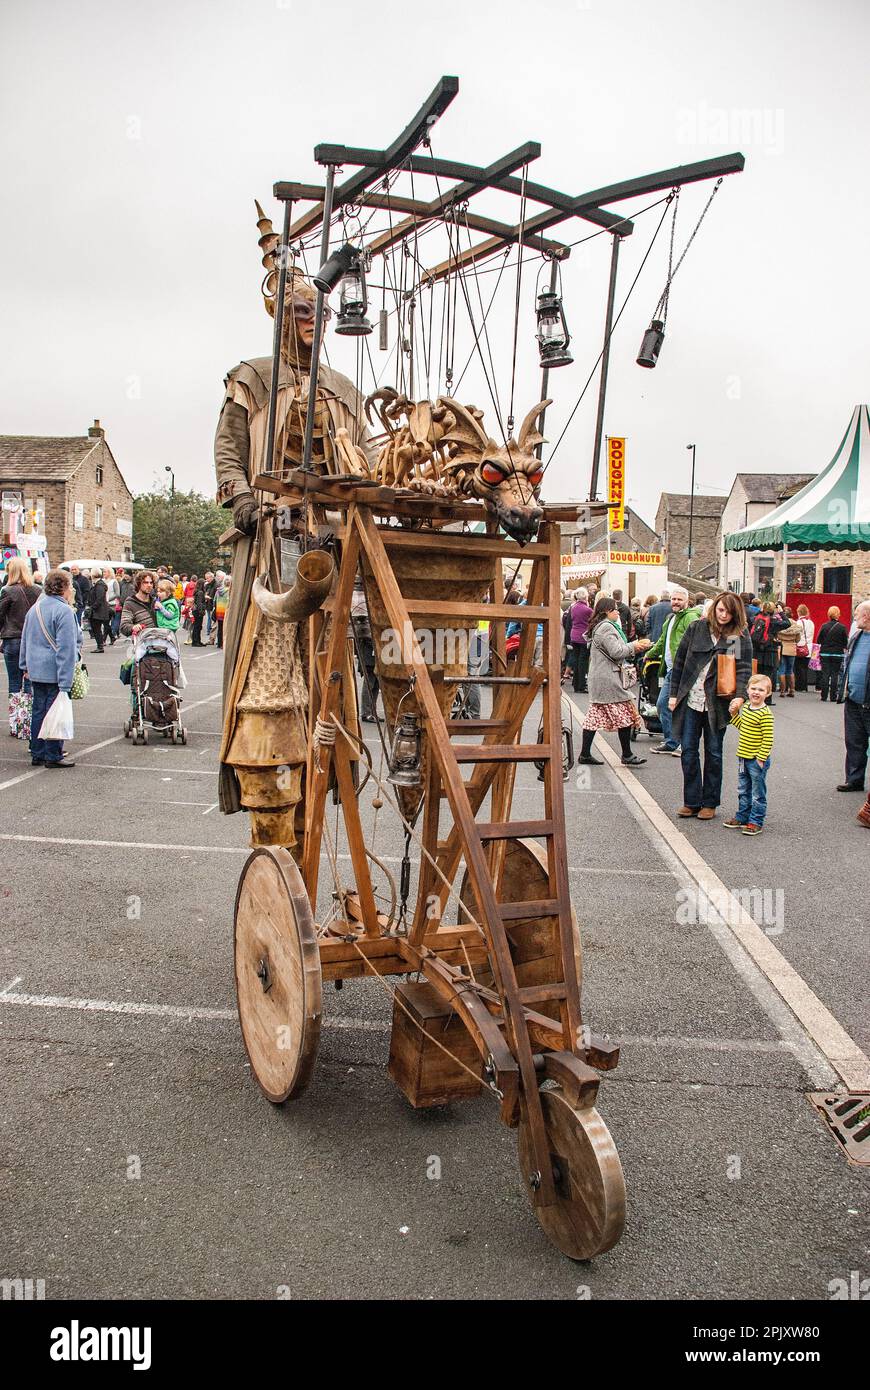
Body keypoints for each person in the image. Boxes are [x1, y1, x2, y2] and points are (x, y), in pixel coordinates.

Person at [215, 213, 376, 849]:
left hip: (329, 552)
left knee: (330, 704)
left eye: (321, 315)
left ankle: (312, 845)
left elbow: (362, 459)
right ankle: (273, 858)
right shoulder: (253, 378)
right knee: (270, 703)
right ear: (283, 319)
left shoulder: (342, 390)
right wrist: (243, 497)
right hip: (271, 561)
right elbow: (229, 453)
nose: (314, 326)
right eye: (302, 315)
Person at [668, 591, 752, 820]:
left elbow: (742, 669)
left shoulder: (737, 636)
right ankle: (691, 801)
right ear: (714, 608)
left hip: (717, 703)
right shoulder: (697, 628)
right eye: (721, 609)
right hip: (691, 700)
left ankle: (710, 802)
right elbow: (680, 662)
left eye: (729, 612)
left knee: (714, 752)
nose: (724, 615)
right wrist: (673, 694)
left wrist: (740, 696)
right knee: (688, 750)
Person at [577, 594, 651, 767]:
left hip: (600, 677)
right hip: (608, 678)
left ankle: (585, 753)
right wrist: (636, 646)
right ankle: (627, 754)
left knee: (594, 716)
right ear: (606, 611)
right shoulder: (607, 628)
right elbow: (617, 652)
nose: (618, 612)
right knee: (624, 714)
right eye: (614, 609)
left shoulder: (599, 627)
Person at [19, 567, 81, 769]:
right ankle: (52, 753)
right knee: (55, 711)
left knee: (38, 710)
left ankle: (37, 751)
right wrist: (66, 679)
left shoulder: (35, 608)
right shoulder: (64, 611)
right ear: (64, 588)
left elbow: (25, 639)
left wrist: (24, 665)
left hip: (35, 668)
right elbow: (66, 648)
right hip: (54, 669)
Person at [644, 587, 701, 755]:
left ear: (687, 601)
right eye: (674, 599)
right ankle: (674, 741)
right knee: (666, 705)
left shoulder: (690, 617)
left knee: (673, 706)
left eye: (679, 599)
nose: (675, 602)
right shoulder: (671, 618)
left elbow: (695, 643)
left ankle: (678, 742)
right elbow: (663, 641)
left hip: (683, 670)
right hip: (672, 670)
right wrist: (649, 654)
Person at [724, 673, 775, 834]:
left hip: (756, 759)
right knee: (743, 789)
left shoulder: (765, 714)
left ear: (768, 693)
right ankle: (742, 816)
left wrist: (761, 758)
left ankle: (755, 821)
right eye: (753, 688)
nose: (756, 692)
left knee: (757, 792)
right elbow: (742, 727)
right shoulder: (745, 707)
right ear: (747, 690)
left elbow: (768, 738)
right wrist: (733, 715)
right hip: (743, 757)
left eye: (761, 689)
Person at [0, 557, 40, 732]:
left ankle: (17, 723)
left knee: (14, 682)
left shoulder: (7, 591)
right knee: (29, 681)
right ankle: (29, 721)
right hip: (33, 640)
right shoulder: (37, 590)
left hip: (13, 639)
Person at [835, 600, 870, 793]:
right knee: (854, 741)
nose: (854, 617)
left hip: (869, 701)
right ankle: (854, 779)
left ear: (866, 615)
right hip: (854, 699)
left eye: (857, 613)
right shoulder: (856, 636)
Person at [750, 602, 785, 704]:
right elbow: (787, 623)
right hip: (770, 651)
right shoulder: (773, 622)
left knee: (757, 675)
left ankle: (755, 697)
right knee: (768, 676)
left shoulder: (755, 619)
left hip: (757, 651)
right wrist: (781, 612)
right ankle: (767, 699)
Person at [817, 605, 849, 702]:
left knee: (825, 674)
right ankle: (833, 696)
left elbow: (819, 640)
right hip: (837, 654)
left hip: (825, 653)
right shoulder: (842, 627)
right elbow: (845, 642)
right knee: (835, 674)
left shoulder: (824, 626)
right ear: (838, 615)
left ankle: (824, 696)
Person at [569, 586, 593, 693]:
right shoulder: (587, 610)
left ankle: (576, 684)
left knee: (576, 659)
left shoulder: (573, 607)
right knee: (583, 661)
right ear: (586, 596)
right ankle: (581, 685)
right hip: (583, 636)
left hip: (574, 635)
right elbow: (592, 621)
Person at [120, 570, 156, 637]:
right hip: (143, 643)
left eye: (151, 583)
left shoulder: (156, 601)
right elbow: (124, 626)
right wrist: (133, 627)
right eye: (145, 582)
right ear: (138, 584)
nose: (149, 585)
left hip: (160, 642)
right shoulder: (130, 603)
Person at [776, 606, 802, 697]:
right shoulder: (795, 624)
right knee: (790, 670)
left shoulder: (781, 624)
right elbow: (798, 639)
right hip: (792, 648)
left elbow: (777, 636)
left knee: (782, 669)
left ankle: (782, 691)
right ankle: (792, 690)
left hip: (782, 647)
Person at [87, 568, 113, 653]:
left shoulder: (99, 585)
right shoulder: (98, 584)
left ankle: (100, 646)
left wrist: (93, 607)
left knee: (97, 629)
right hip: (99, 610)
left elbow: (100, 598)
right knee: (97, 628)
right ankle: (101, 644)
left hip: (99, 610)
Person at [792, 603, 815, 692]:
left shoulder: (798, 623)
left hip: (800, 646)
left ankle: (800, 686)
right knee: (805, 667)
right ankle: (804, 686)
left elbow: (796, 635)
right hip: (809, 646)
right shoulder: (811, 622)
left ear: (798, 612)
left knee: (799, 667)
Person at [190, 579, 206, 647]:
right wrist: (201, 611)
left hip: (195, 610)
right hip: (198, 611)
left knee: (197, 626)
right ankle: (196, 641)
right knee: (197, 627)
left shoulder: (197, 591)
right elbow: (199, 602)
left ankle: (197, 641)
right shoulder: (200, 592)